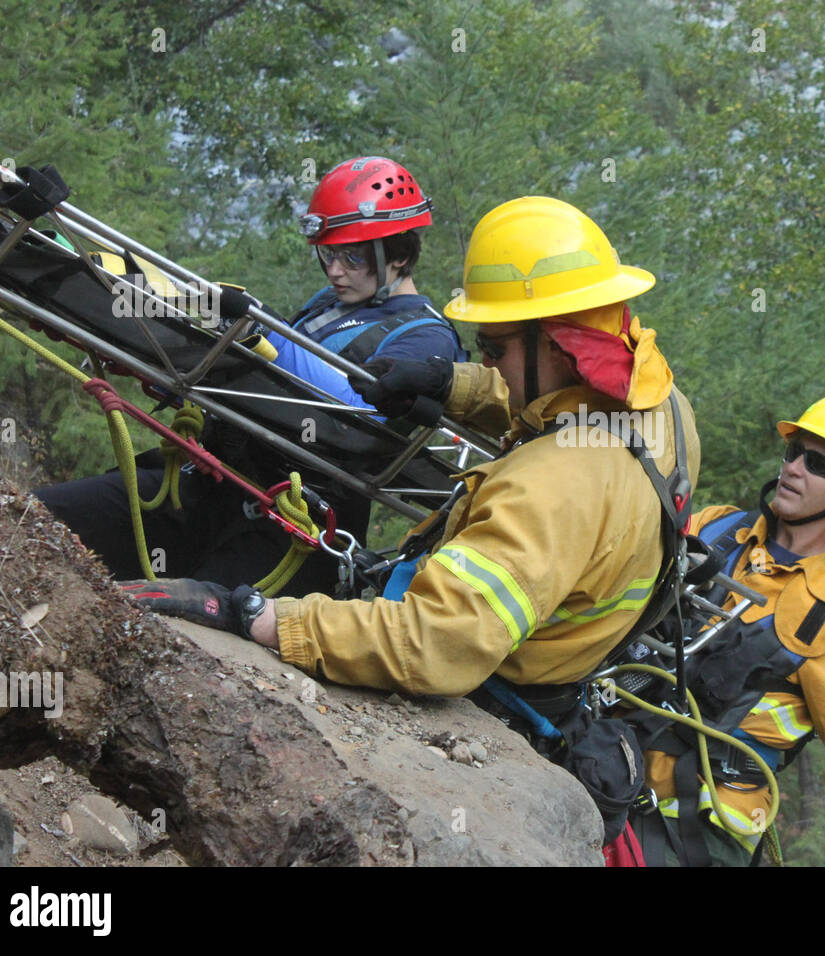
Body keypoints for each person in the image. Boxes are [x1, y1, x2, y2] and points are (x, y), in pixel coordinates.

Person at [121, 196, 702, 848]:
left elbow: (433, 644)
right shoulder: (660, 405)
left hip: (490, 693)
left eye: (494, 346)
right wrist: (451, 384)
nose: (489, 363)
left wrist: (263, 617)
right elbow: (548, 396)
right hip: (560, 659)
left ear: (560, 343)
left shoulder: (552, 488)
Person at [35, 156, 464, 597]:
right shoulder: (329, 306)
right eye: (328, 254)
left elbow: (361, 415)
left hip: (294, 520)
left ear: (400, 255)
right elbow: (259, 380)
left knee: (185, 624)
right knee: (35, 518)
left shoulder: (424, 338)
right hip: (216, 481)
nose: (335, 270)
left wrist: (267, 334)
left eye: (352, 256)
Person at [629, 391, 825, 867]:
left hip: (699, 829)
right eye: (793, 452)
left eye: (817, 464)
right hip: (615, 760)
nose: (793, 468)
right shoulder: (716, 529)